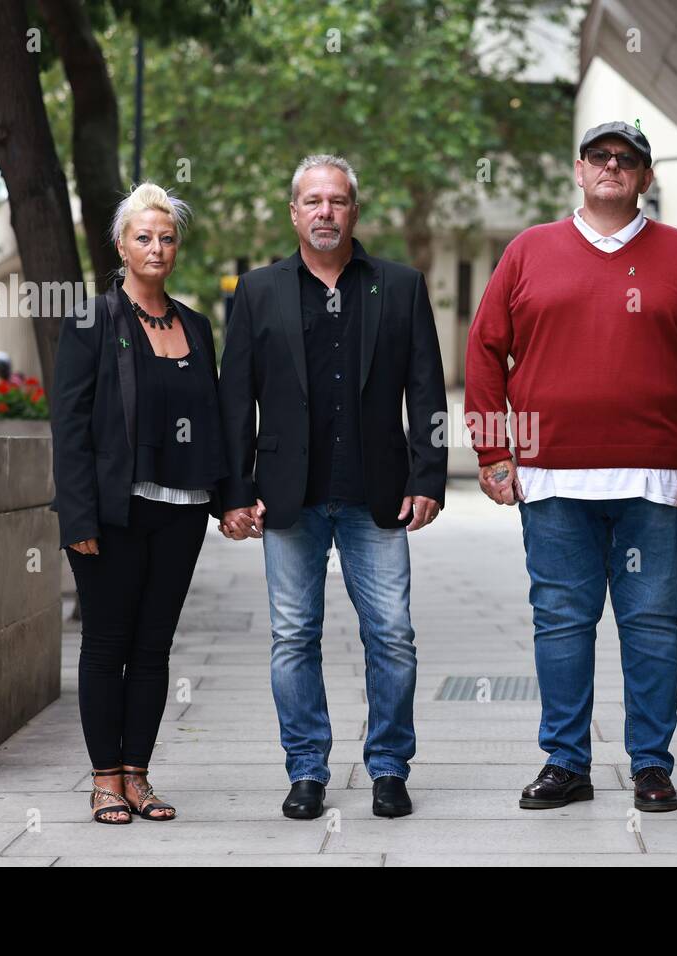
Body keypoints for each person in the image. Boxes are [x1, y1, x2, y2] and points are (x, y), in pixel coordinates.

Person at [464, 121, 677, 813]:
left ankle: (651, 766)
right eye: (601, 157)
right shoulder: (528, 252)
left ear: (644, 177)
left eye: (628, 159)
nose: (613, 166)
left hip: (655, 481)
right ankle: (566, 762)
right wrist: (494, 453)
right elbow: (486, 349)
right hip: (553, 480)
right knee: (560, 621)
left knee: (651, 623)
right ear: (579, 171)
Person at [219, 154, 447, 820]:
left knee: (394, 636)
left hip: (378, 495)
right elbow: (236, 398)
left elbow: (427, 387)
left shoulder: (400, 286)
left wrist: (429, 474)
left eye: (337, 201)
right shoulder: (259, 291)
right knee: (293, 638)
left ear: (354, 210)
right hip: (288, 497)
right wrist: (233, 491)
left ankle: (387, 768)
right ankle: (307, 772)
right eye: (313, 201)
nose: (325, 212)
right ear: (294, 212)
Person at [51, 182, 226, 824]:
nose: (156, 247)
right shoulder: (93, 320)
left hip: (180, 512)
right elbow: (68, 426)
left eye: (167, 237)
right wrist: (77, 518)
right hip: (112, 513)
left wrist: (231, 500)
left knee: (154, 648)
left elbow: (216, 422)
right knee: (106, 644)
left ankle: (138, 776)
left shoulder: (198, 327)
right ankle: (102, 780)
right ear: (121, 246)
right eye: (143, 236)